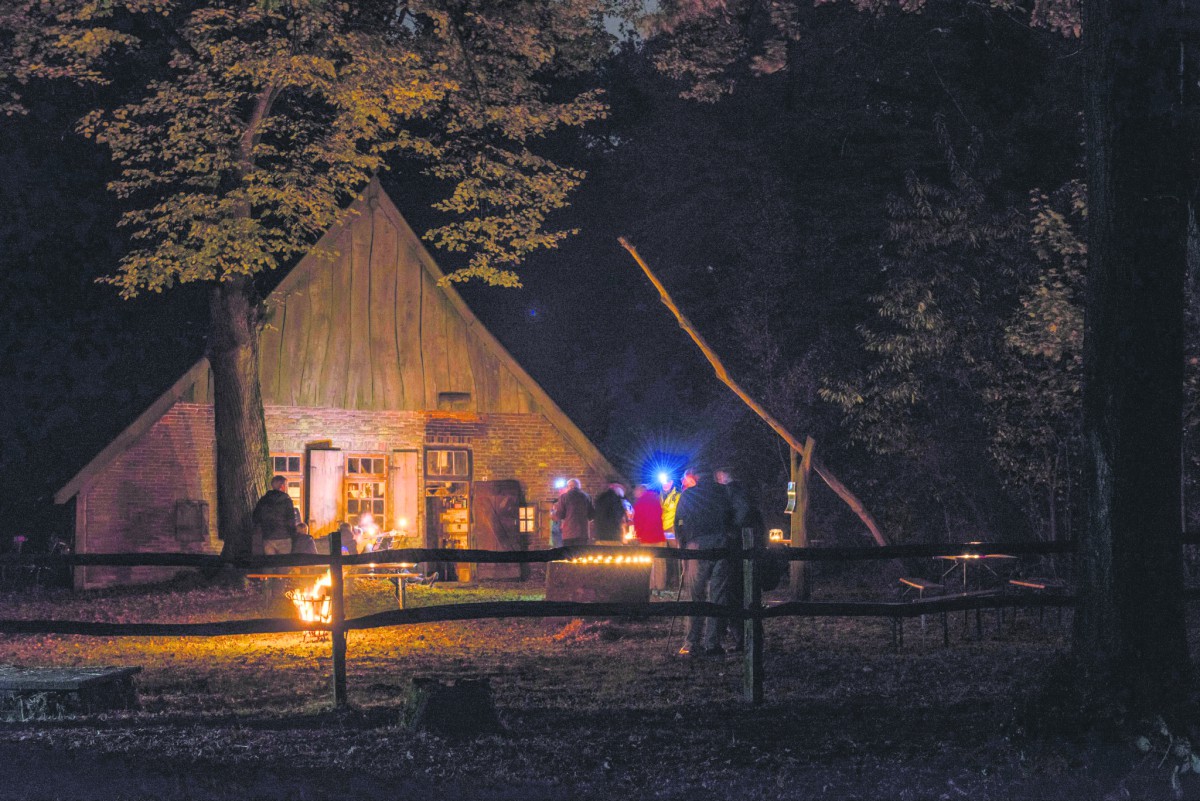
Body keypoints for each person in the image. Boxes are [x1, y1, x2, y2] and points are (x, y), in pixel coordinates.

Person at [675, 468, 735, 657]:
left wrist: (683, 546)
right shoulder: (724, 492)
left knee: (695, 595)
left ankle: (692, 642)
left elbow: (678, 523)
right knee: (718, 596)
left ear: (694, 478)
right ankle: (713, 643)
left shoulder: (688, 495)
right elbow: (733, 517)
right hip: (722, 544)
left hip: (697, 545)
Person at [715, 468, 760, 652]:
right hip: (748, 547)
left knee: (734, 594)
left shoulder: (732, 493)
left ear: (722, 477)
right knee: (746, 594)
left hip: (738, 549)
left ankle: (743, 638)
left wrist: (731, 532)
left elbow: (740, 515)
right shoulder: (745, 492)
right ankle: (749, 637)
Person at [632, 484, 668, 592]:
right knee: (660, 562)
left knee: (647, 562)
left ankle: (650, 585)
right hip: (658, 535)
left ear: (640, 491)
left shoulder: (640, 503)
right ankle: (661, 586)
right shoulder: (656, 500)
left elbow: (637, 520)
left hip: (646, 537)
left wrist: (638, 534)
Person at [253, 475, 298, 556]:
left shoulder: (263, 500)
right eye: (286, 485)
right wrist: (293, 535)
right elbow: (290, 520)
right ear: (282, 486)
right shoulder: (286, 501)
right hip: (284, 538)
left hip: (268, 538)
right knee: (284, 565)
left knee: (270, 564)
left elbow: (256, 517)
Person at [552, 478, 594, 547]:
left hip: (568, 534)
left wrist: (554, 513)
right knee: (581, 555)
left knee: (569, 555)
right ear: (579, 487)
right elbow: (591, 515)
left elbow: (560, 515)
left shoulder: (564, 497)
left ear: (569, 487)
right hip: (583, 533)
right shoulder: (587, 496)